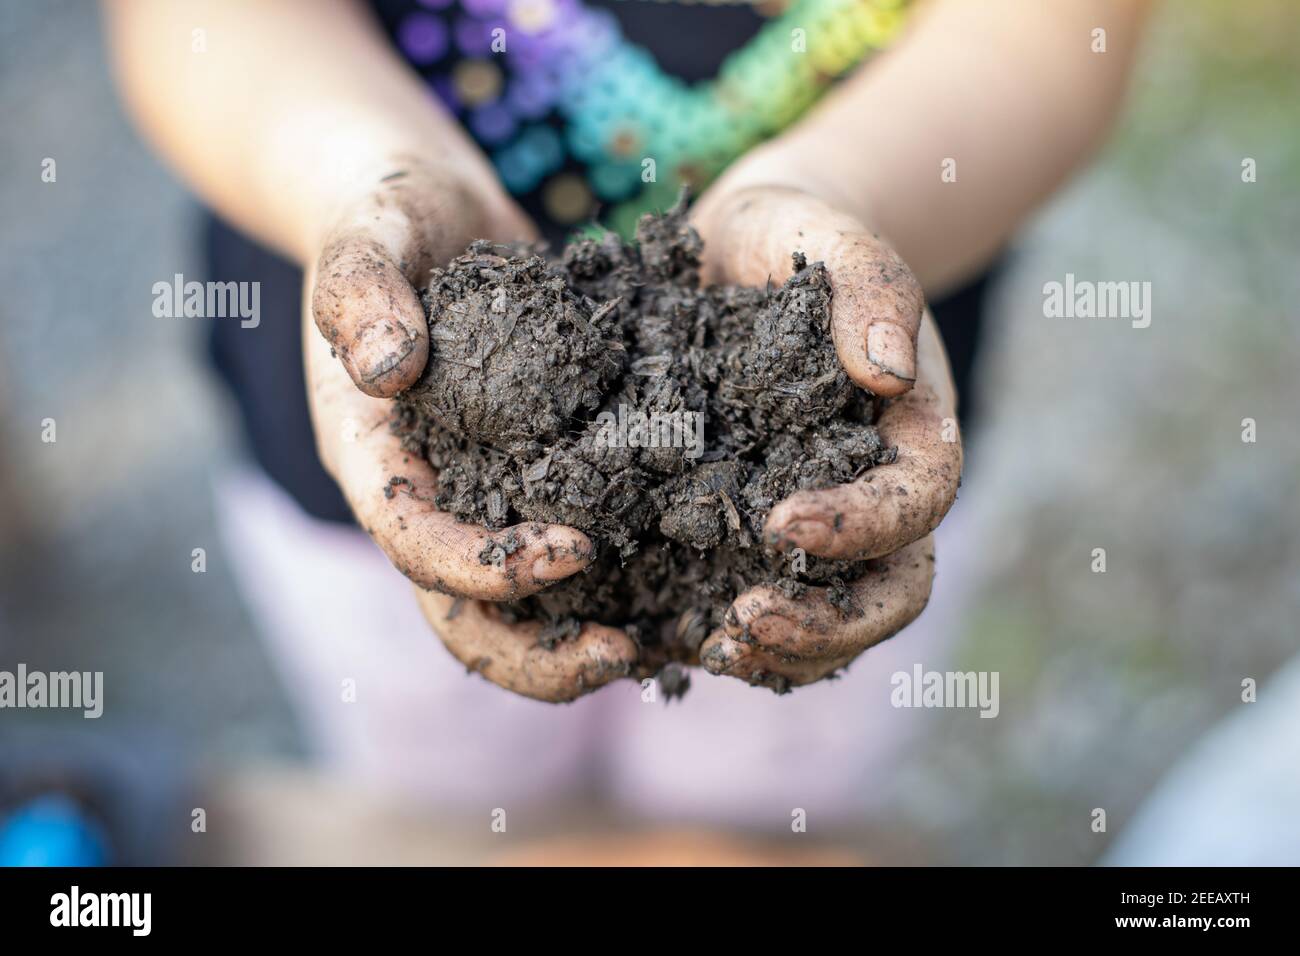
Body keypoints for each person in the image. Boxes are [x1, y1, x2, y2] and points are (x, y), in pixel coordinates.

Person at [102, 0, 1151, 823]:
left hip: (835, 440)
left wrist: (845, 195)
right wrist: (357, 177)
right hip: (390, 472)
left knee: (760, 803)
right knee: (452, 802)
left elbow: (1057, 22)